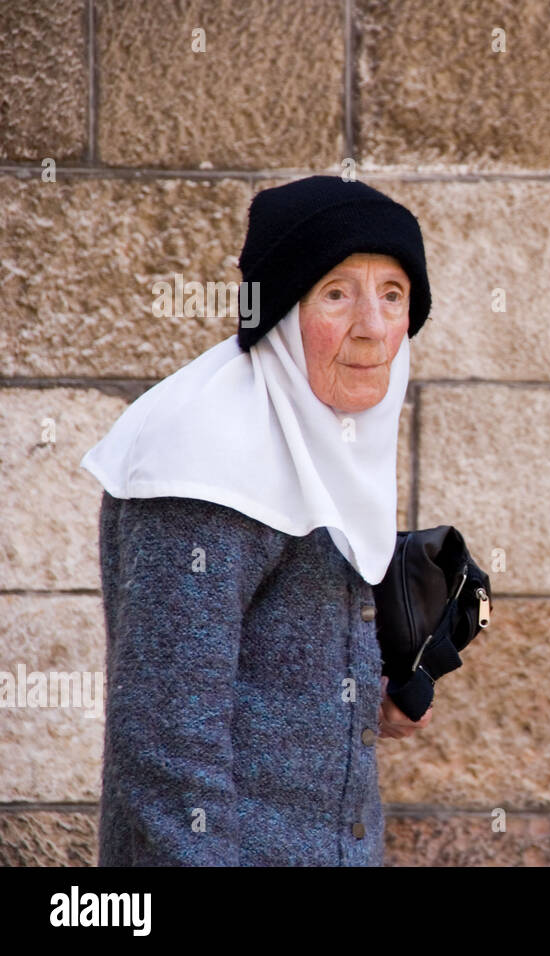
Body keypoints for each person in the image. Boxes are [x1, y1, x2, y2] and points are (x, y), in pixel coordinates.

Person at [82, 175, 435, 866]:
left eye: (392, 295)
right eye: (336, 293)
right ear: (276, 313)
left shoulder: (323, 430)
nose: (372, 327)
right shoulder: (206, 456)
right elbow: (164, 737)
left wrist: (372, 692)